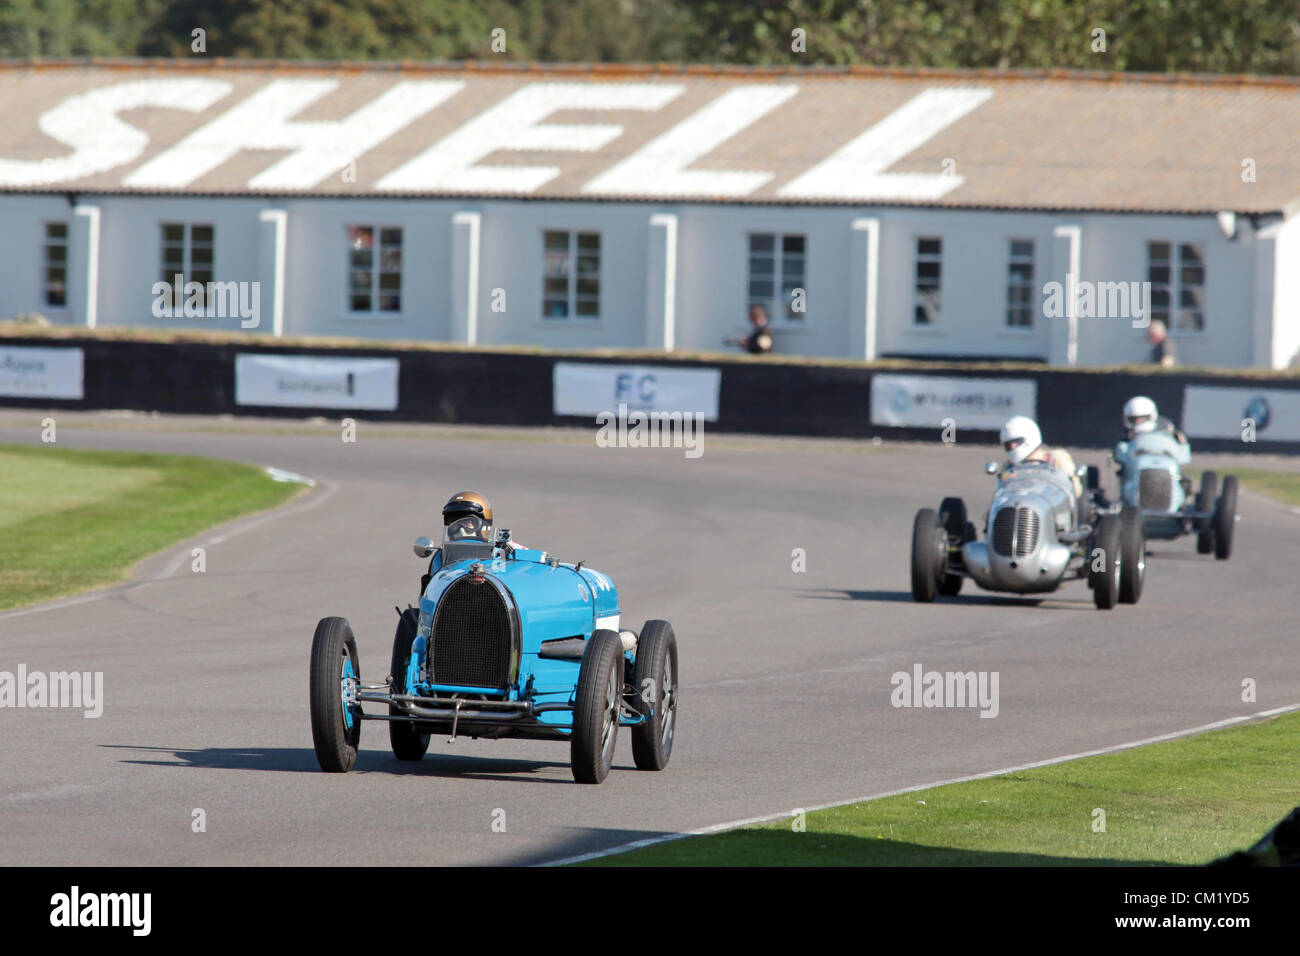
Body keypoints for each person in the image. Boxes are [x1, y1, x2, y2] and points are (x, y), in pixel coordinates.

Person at [999, 415, 1082, 497]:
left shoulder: (1056, 458)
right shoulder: (1009, 467)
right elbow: (1002, 496)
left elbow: (1075, 491)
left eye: (1017, 442)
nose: (1013, 446)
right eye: (1008, 444)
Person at [1115, 396, 1190, 475]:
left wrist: (1182, 443)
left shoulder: (1167, 430)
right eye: (1134, 419)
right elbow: (1121, 456)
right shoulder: (1128, 436)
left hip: (1166, 464)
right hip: (1137, 470)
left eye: (1142, 418)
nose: (1138, 421)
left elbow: (1182, 456)